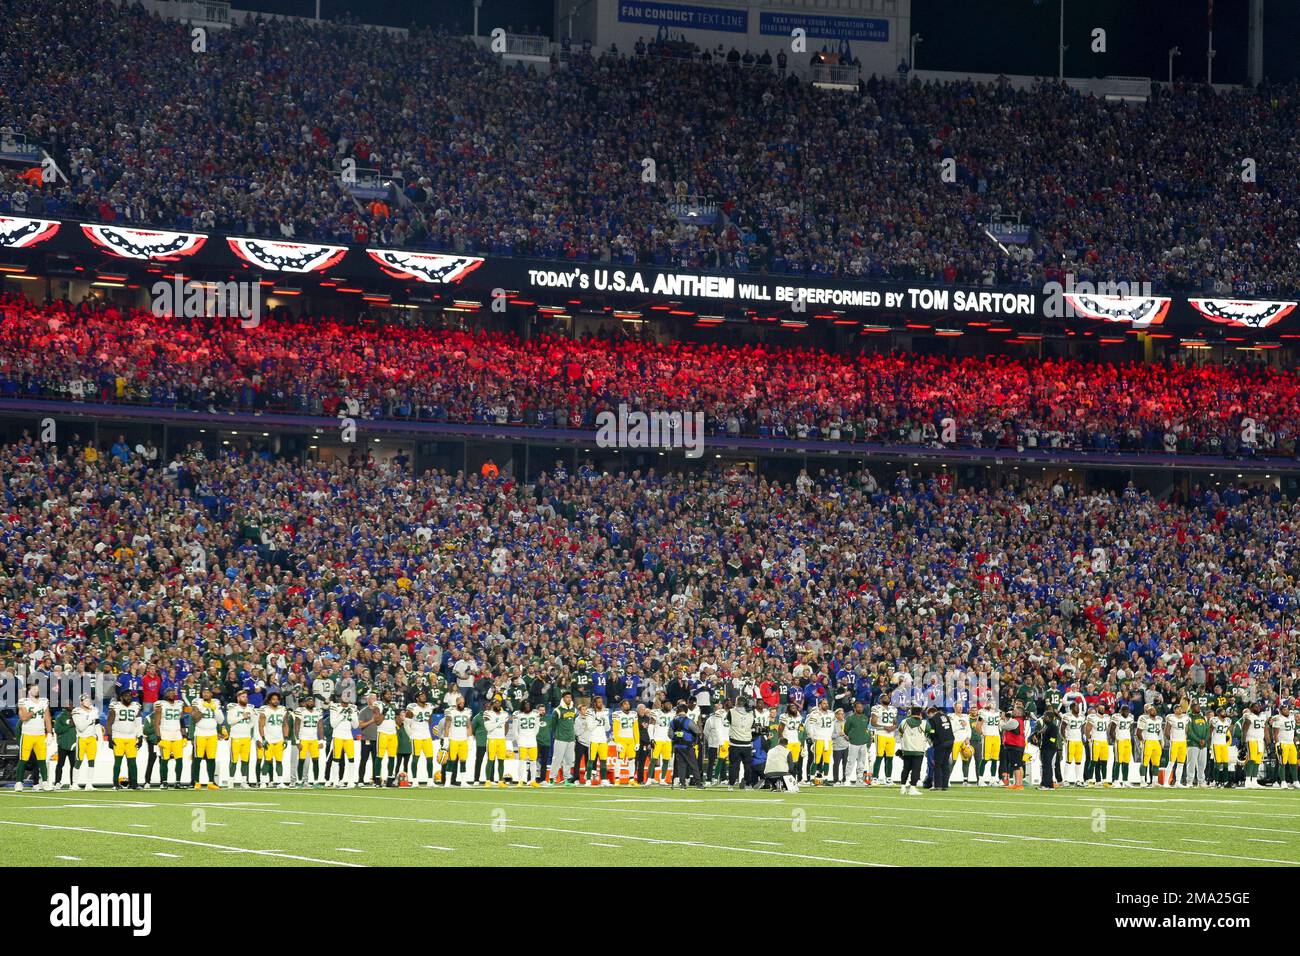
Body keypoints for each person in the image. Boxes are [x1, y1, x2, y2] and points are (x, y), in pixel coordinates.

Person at [15, 683, 53, 791]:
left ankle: (45, 782)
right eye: (34, 689)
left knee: (42, 760)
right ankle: (19, 782)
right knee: (23, 759)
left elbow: (47, 718)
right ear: (29, 691)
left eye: (38, 689)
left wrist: (49, 733)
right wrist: (35, 710)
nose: (37, 690)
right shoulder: (24, 702)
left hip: (40, 735)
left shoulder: (43, 701)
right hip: (27, 734)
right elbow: (23, 717)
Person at [107, 690, 143, 791]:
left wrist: (140, 737)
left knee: (132, 762)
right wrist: (110, 737)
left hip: (131, 738)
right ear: (121, 697)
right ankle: (115, 783)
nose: (129, 697)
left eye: (130, 696)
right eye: (126, 696)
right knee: (117, 762)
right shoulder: (115, 706)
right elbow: (109, 722)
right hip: (118, 737)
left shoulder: (136, 706)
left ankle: (134, 783)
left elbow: (138, 723)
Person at [154, 688, 187, 789]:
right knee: (164, 760)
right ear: (165, 694)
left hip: (177, 735)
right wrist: (158, 737)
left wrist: (184, 735)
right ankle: (164, 782)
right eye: (169, 692)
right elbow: (156, 722)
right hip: (165, 736)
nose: (172, 694)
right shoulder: (161, 704)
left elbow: (182, 721)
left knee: (179, 760)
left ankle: (178, 782)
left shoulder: (179, 704)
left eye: (173, 692)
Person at [258, 692, 290, 788]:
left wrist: (286, 738)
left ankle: (280, 782)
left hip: (279, 739)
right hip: (269, 739)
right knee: (267, 761)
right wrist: (263, 738)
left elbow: (285, 724)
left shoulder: (282, 710)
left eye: (277, 699)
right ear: (269, 700)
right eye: (273, 699)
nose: (276, 701)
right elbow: (261, 725)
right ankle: (263, 781)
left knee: (279, 761)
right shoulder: (265, 710)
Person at [545, 693, 577, 786]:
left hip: (570, 738)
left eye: (570, 697)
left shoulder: (574, 709)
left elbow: (573, 723)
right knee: (557, 759)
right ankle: (552, 778)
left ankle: (567, 779)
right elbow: (553, 726)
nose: (569, 699)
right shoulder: (557, 710)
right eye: (567, 697)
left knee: (569, 760)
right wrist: (557, 735)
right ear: (563, 698)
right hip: (560, 738)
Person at [440, 695, 473, 787]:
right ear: (456, 703)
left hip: (463, 740)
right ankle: (447, 781)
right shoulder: (451, 712)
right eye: (460, 702)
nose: (462, 704)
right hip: (453, 739)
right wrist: (446, 739)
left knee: (463, 760)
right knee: (451, 760)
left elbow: (468, 725)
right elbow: (447, 726)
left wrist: (470, 738)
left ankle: (463, 781)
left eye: (463, 702)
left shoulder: (467, 712)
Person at [71, 694, 102, 790]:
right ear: (81, 702)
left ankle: (89, 784)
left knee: (92, 761)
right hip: (82, 738)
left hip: (92, 738)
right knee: (78, 761)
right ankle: (74, 783)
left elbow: (97, 724)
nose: (88, 702)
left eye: (89, 700)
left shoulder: (94, 710)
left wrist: (99, 736)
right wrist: (90, 719)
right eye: (85, 700)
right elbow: (80, 727)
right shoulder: (76, 711)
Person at [726, 696, 757, 789]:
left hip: (735, 743)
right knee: (747, 765)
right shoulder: (751, 715)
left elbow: (728, 721)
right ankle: (748, 784)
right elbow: (752, 725)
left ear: (737, 702)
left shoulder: (731, 712)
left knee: (734, 765)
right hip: (747, 743)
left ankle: (731, 784)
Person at [897, 706, 929, 795]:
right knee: (916, 769)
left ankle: (902, 788)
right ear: (920, 714)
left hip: (906, 749)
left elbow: (900, 731)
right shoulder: (924, 723)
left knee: (905, 768)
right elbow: (929, 730)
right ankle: (912, 788)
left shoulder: (904, 722)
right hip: (918, 750)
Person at [669, 705, 703, 788]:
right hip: (687, 746)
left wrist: (676, 738)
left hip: (677, 746)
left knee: (681, 765)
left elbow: (670, 734)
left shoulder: (673, 721)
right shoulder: (688, 721)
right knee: (693, 764)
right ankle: (698, 783)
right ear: (686, 711)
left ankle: (682, 783)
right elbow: (698, 731)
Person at [293, 696, 323, 787]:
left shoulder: (318, 712)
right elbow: (296, 726)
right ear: (305, 703)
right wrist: (297, 740)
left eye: (312, 701)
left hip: (314, 739)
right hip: (304, 738)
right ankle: (299, 781)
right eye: (309, 701)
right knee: (301, 760)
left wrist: (321, 740)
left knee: (315, 760)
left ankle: (316, 781)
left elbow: (320, 726)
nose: (311, 702)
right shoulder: (300, 711)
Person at [1268, 702, 1298, 789]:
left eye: (1287, 709)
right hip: (1282, 743)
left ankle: (1295, 781)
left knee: (1293, 763)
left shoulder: (1292, 715)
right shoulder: (1278, 719)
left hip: (1291, 743)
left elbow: (1294, 711)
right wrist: (1277, 745)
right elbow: (1275, 734)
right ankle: (1283, 781)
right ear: (1280, 711)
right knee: (1282, 763)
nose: (1287, 711)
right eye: (1284, 709)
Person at [869, 697, 898, 786]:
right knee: (879, 756)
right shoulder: (876, 708)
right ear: (880, 700)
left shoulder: (893, 709)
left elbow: (895, 723)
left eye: (887, 697)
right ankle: (875, 778)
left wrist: (893, 727)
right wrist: (884, 727)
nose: (887, 698)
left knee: (890, 757)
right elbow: (873, 723)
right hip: (880, 734)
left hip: (890, 735)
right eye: (884, 697)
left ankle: (888, 778)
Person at [925, 705, 954, 791]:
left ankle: (937, 785)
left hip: (941, 743)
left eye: (928, 715)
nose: (928, 717)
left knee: (937, 764)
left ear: (931, 713)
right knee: (945, 764)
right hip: (950, 741)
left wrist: (933, 740)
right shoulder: (946, 717)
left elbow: (932, 732)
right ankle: (945, 785)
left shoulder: (932, 719)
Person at [843, 701, 872, 786]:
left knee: (862, 762)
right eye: (858, 707)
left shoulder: (865, 717)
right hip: (854, 743)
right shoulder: (850, 718)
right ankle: (847, 779)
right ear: (855, 708)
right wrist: (852, 736)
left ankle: (859, 779)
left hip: (863, 742)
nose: (860, 708)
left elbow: (866, 729)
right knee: (851, 761)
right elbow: (846, 730)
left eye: (861, 707)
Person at [1000, 702, 1027, 790]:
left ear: (1019, 713)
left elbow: (1004, 727)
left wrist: (1001, 720)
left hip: (1015, 745)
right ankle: (1020, 783)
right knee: (1019, 765)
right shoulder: (1021, 720)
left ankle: (1017, 784)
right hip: (1019, 745)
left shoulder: (1015, 721)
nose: (1012, 712)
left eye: (1014, 711)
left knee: (1016, 766)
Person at [976, 697, 1002, 786]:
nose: (993, 704)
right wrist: (982, 734)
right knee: (985, 758)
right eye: (991, 702)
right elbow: (978, 725)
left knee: (995, 759)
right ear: (988, 703)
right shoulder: (983, 712)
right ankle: (981, 779)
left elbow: (998, 725)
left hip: (996, 737)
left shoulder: (998, 713)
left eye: (994, 702)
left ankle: (993, 779)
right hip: (987, 736)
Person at [1164, 702, 1190, 788]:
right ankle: (1165, 782)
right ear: (1174, 710)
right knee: (1171, 762)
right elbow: (1166, 731)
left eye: (1180, 708)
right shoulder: (1170, 717)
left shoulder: (1185, 718)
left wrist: (1185, 737)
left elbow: (1186, 729)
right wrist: (1171, 739)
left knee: (1181, 763)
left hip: (1183, 742)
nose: (1180, 709)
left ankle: (1178, 782)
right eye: (1178, 708)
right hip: (1174, 742)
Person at [1138, 704, 1164, 787]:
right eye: (1151, 710)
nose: (1154, 711)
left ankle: (1154, 782)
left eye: (1154, 710)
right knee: (1144, 762)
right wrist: (1142, 741)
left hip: (1156, 742)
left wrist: (1161, 741)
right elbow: (1138, 732)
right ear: (1148, 712)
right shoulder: (1144, 718)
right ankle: (1142, 781)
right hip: (1147, 741)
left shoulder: (1159, 719)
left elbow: (1159, 732)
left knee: (1156, 763)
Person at [1185, 702, 1210, 788]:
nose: (1199, 708)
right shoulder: (1188, 717)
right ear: (1192, 708)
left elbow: (1207, 730)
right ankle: (1189, 781)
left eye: (1199, 706)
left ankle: (1201, 781)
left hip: (1203, 744)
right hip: (1193, 743)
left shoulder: (1203, 717)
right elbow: (1189, 731)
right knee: (1191, 763)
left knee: (1202, 764)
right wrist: (1198, 740)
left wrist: (1205, 740)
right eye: (1196, 707)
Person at [1035, 709, 1061, 789]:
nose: (1043, 718)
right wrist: (1040, 734)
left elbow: (1053, 738)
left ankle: (1047, 784)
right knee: (1045, 766)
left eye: (1045, 716)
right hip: (1045, 748)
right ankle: (1045, 783)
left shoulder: (1053, 726)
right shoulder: (1047, 726)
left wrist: (1047, 744)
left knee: (1047, 766)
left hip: (1049, 749)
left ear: (1049, 717)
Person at [1110, 704, 1135, 787]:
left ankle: (1125, 781)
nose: (1127, 713)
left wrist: (1130, 737)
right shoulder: (1116, 717)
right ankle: (1116, 781)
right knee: (1118, 761)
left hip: (1127, 741)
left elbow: (1131, 729)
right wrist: (1116, 740)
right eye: (1125, 711)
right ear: (1121, 711)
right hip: (1119, 740)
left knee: (1126, 761)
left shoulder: (1130, 717)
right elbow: (1111, 730)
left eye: (1128, 711)